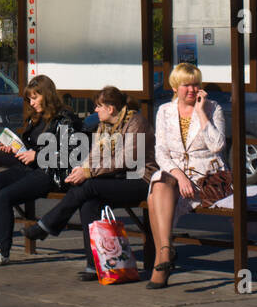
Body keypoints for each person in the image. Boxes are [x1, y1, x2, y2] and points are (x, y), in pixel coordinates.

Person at [22, 86, 156, 280]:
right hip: (115, 179)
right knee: (88, 201)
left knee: (89, 186)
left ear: (110, 108)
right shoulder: (105, 125)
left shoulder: (136, 122)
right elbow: (95, 155)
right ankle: (94, 265)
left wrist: (89, 172)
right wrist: (82, 168)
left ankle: (47, 225)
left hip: (141, 180)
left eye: (98, 106)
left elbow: (127, 160)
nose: (95, 110)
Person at [0, 74, 80, 266]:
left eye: (35, 97)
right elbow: (31, 146)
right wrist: (16, 148)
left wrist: (37, 156)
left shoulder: (65, 118)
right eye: (29, 99)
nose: (32, 103)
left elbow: (69, 154)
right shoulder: (36, 118)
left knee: (5, 196)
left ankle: (3, 249)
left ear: (47, 95)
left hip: (50, 172)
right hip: (30, 167)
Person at [146, 62, 227, 288]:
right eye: (186, 85)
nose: (192, 90)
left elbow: (217, 146)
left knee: (154, 197)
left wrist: (201, 114)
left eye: (196, 85)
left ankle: (161, 259)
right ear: (175, 87)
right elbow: (160, 150)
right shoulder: (164, 111)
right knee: (160, 184)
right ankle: (165, 251)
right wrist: (179, 176)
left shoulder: (213, 108)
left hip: (209, 177)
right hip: (176, 174)